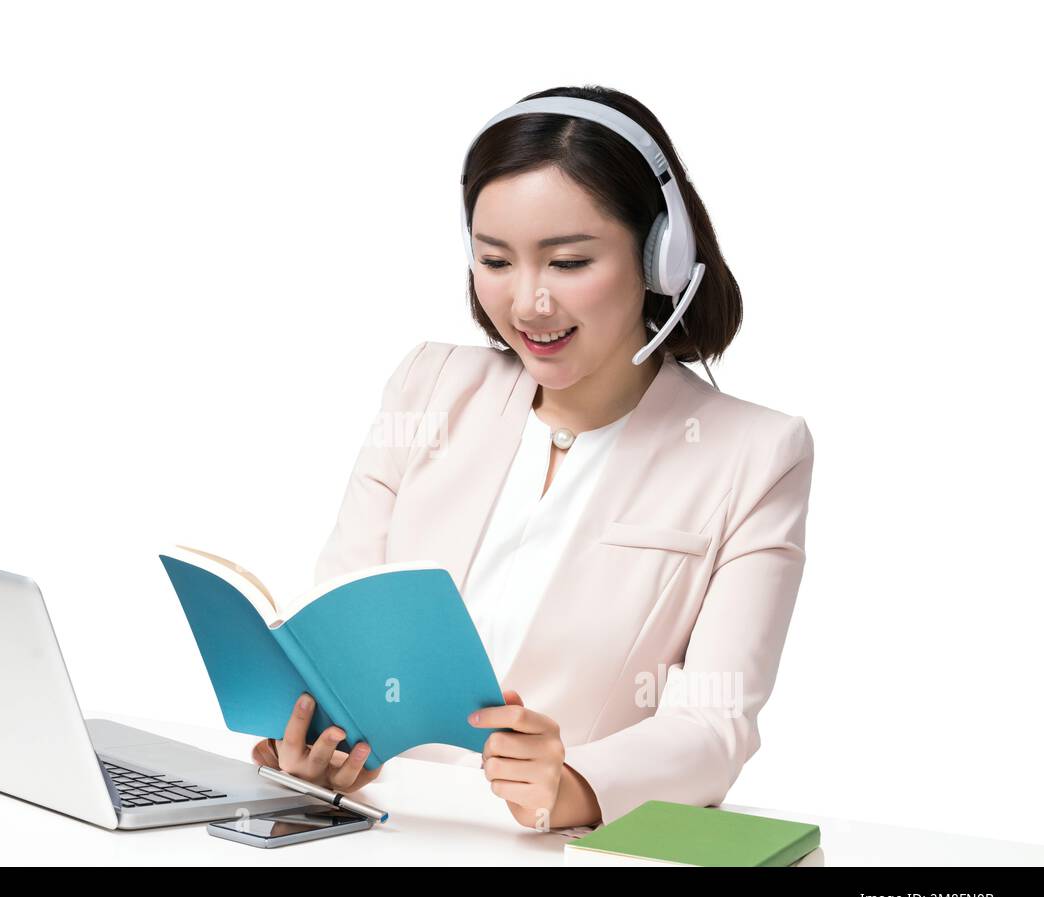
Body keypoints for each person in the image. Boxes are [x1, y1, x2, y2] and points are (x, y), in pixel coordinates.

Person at [251, 85, 814, 830]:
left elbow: (715, 724)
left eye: (569, 261)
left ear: (662, 256)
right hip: (369, 834)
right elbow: (338, 632)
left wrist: (571, 782)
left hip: (549, 847)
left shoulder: (755, 454)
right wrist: (318, 744)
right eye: (495, 260)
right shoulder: (428, 385)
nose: (527, 303)